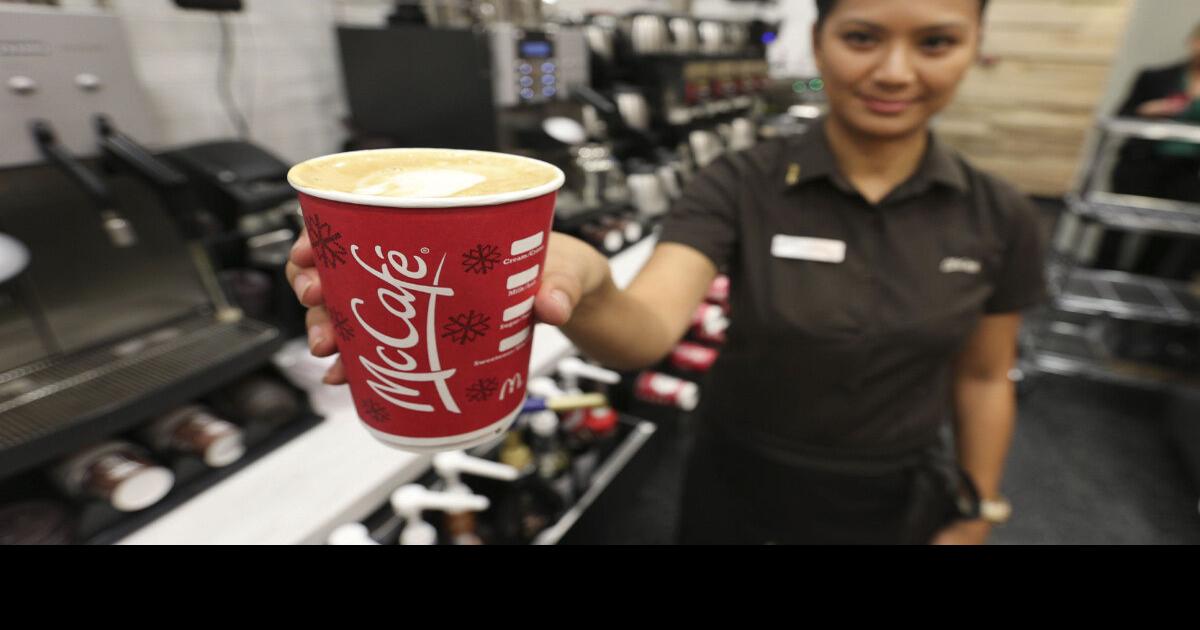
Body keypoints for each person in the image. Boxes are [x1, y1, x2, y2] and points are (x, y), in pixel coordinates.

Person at [287, 0, 1046, 544]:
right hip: (742, 482)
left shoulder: (1000, 213)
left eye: (938, 42)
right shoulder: (738, 182)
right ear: (817, 44)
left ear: (976, 47)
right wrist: (578, 275)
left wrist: (979, 506)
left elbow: (984, 378)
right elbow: (647, 330)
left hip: (895, 494)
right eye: (861, 36)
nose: (893, 70)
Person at [1111, 22, 1200, 203]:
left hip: (1190, 174)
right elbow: (1120, 118)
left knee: (1172, 229)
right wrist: (1146, 111)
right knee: (1120, 223)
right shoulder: (1156, 77)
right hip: (1144, 164)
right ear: (1192, 41)